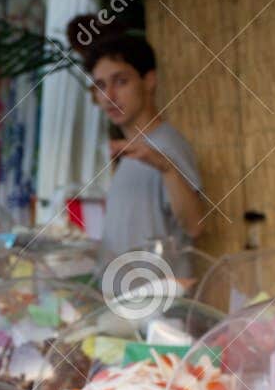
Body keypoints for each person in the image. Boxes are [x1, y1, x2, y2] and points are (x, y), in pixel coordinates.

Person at [82, 30, 207, 261]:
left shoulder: (167, 144)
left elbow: (195, 226)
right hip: (124, 291)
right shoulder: (132, 147)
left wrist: (167, 167)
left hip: (158, 296)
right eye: (100, 85)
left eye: (121, 81)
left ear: (149, 81)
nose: (109, 96)